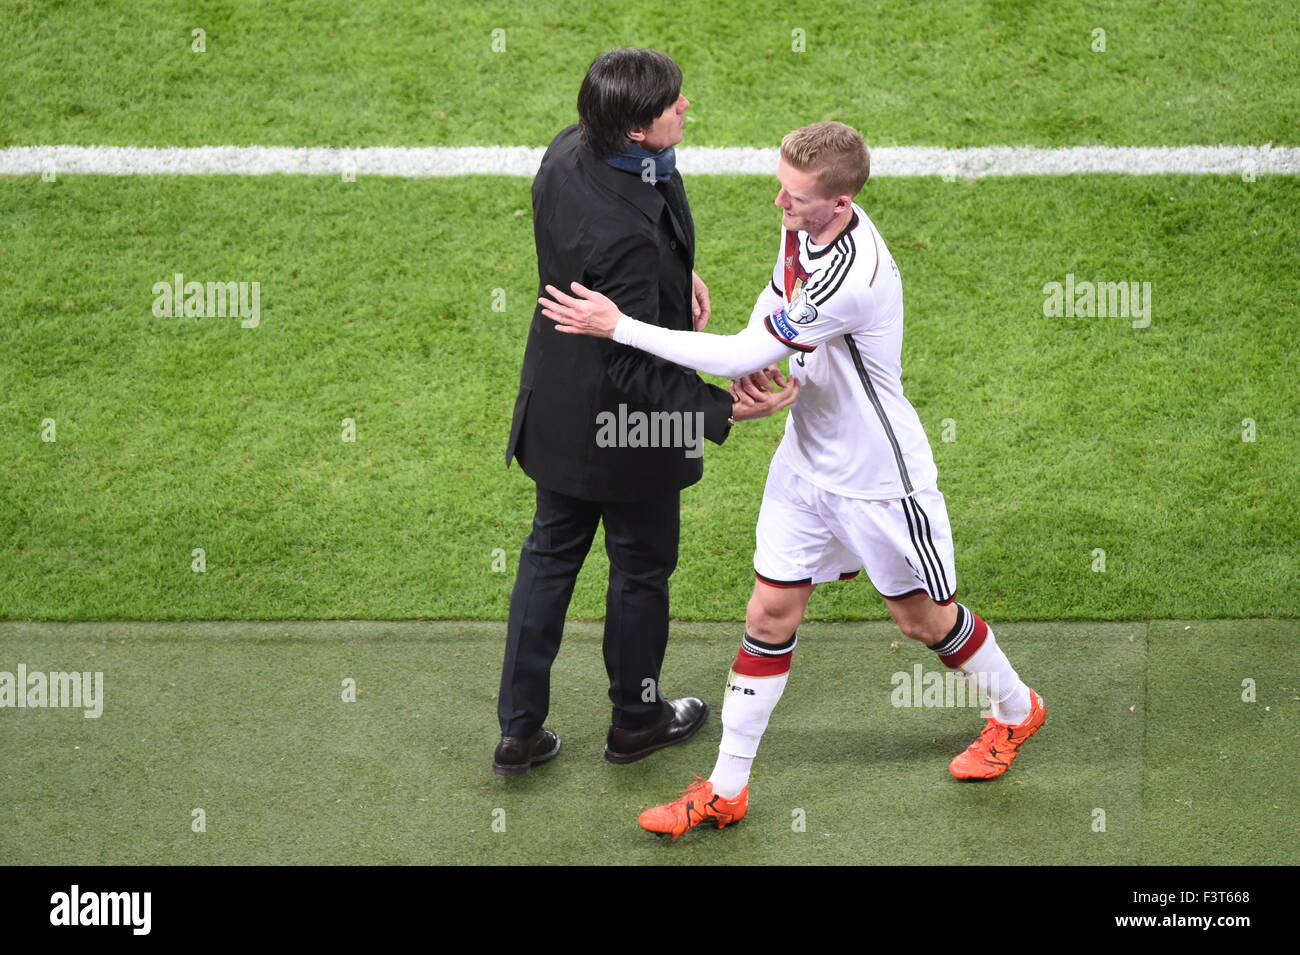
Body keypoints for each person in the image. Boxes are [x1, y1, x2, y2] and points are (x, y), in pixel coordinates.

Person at [537, 121, 1046, 834]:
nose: (780, 201)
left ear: (839, 204)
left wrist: (618, 325)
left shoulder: (852, 274)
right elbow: (774, 297)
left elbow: (748, 341)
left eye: (797, 194)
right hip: (805, 464)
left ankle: (1016, 710)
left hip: (878, 480)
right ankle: (726, 786)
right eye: (782, 185)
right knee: (767, 613)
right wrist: (754, 363)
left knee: (920, 619)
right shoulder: (804, 227)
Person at [494, 49, 798, 776]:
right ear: (635, 128)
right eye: (673, 104)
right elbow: (631, 368)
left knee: (547, 560)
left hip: (559, 411)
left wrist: (674, 272)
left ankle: (518, 730)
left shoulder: (571, 148)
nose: (686, 108)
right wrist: (722, 408)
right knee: (639, 570)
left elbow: (598, 250)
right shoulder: (624, 230)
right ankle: (635, 720)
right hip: (631, 431)